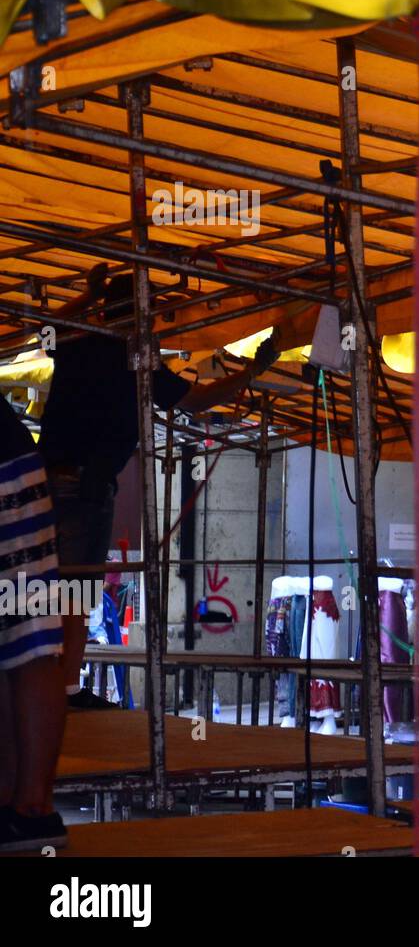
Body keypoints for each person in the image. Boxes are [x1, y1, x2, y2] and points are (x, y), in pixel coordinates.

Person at [41, 266, 279, 707]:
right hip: (83, 486)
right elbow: (198, 401)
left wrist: (86, 298)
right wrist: (250, 374)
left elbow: (45, 335)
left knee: (66, 592)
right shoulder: (132, 359)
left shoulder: (84, 344)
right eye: (151, 315)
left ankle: (61, 689)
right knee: (72, 593)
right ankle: (57, 690)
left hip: (70, 483)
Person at [0, 398, 68, 850]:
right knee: (24, 639)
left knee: (28, 639)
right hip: (14, 466)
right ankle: (21, 805)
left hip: (10, 469)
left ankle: (28, 806)